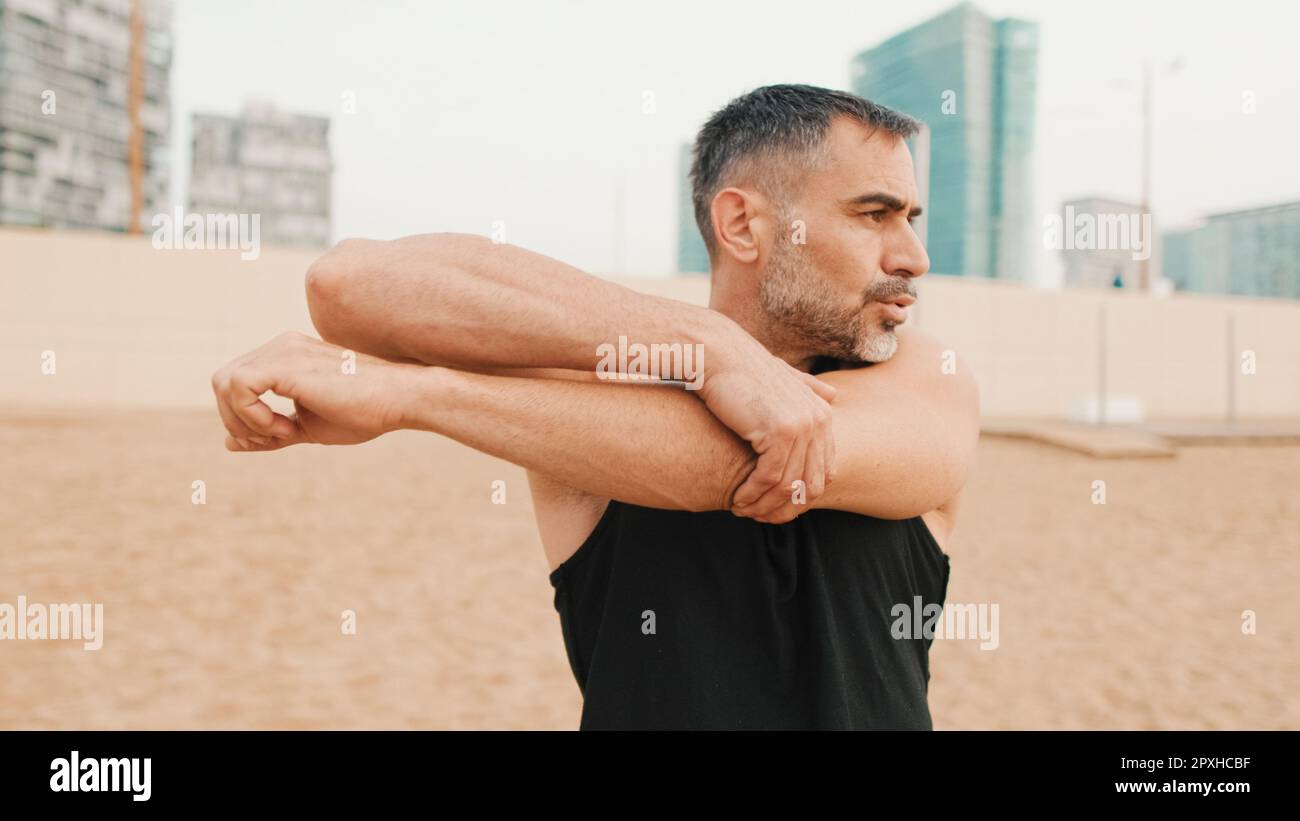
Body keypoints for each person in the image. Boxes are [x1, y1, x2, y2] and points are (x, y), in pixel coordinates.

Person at [210, 84, 980, 729]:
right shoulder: (619, 372)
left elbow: (753, 454)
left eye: (910, 217)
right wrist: (705, 346)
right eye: (874, 214)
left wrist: (417, 393)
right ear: (742, 223)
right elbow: (344, 285)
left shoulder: (930, 379)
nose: (913, 255)